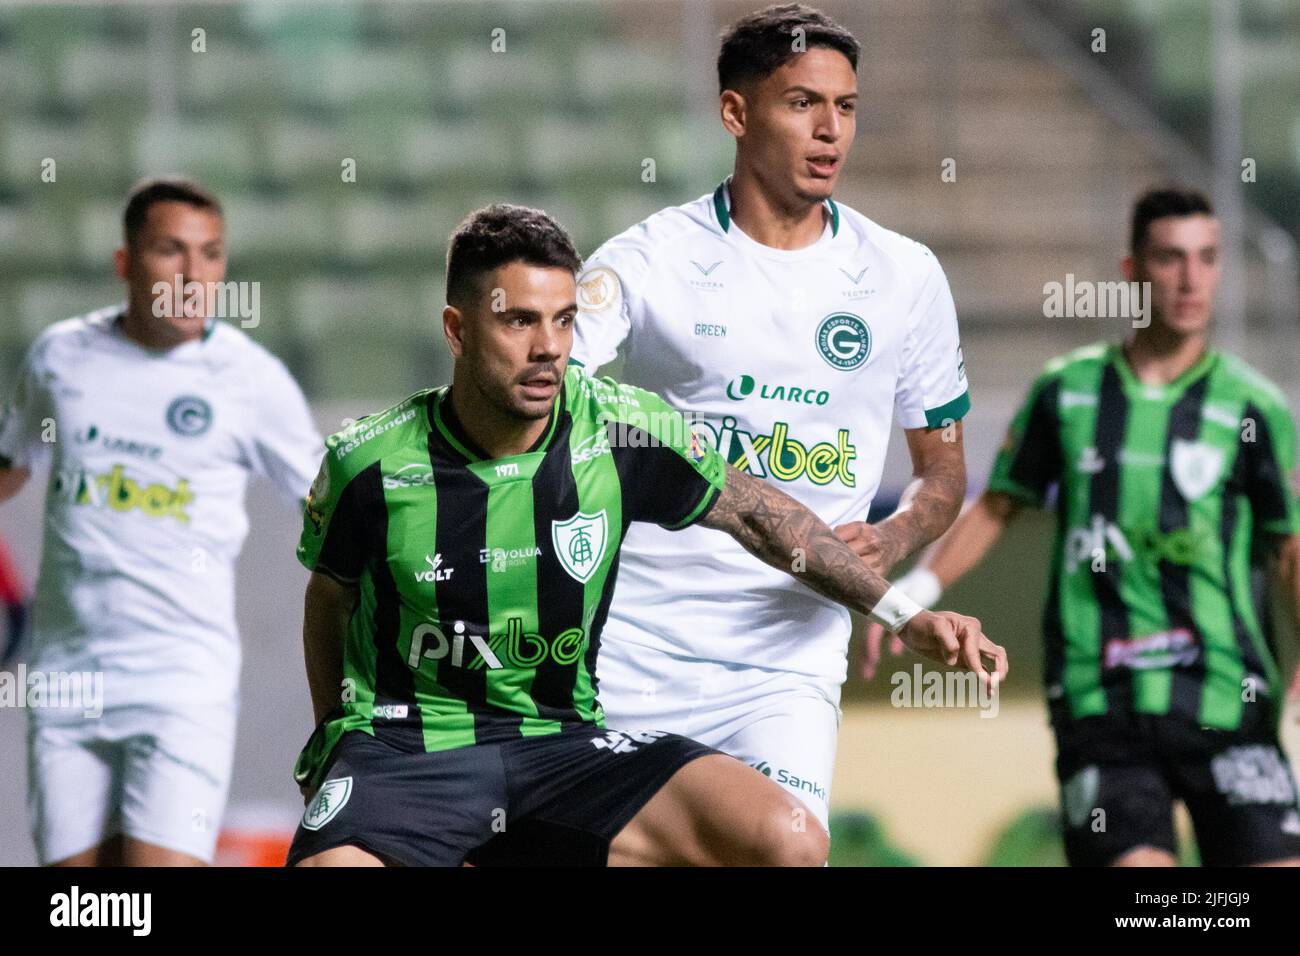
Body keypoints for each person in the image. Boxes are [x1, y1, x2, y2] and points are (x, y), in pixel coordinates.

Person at [286, 203, 1005, 867]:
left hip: (563, 746)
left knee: (788, 843)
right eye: (519, 322)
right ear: (457, 329)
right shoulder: (369, 462)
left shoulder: (620, 429)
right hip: (410, 749)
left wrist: (903, 615)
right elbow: (330, 599)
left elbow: (759, 514)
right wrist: (335, 742)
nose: (549, 349)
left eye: (565, 321)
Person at [569, 3, 970, 832]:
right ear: (735, 113)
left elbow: (943, 473)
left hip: (789, 661)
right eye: (802, 103)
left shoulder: (904, 275)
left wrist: (894, 538)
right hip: (634, 643)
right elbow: (547, 380)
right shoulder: (649, 262)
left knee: (787, 846)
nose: (831, 131)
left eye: (846, 107)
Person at [871, 187, 1300, 866]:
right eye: (1170, 258)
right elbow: (996, 505)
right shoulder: (1066, 392)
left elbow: (1288, 547)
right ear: (1132, 271)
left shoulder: (1254, 406)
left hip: (1228, 697)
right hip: (1103, 704)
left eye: (1207, 258)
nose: (1191, 279)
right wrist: (913, 594)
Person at [0, 177, 324, 866]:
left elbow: (327, 509)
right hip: (67, 683)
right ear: (125, 263)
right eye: (169, 250)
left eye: (210, 254)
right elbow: (11, 467)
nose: (192, 273)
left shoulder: (250, 380)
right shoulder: (61, 358)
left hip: (184, 683)